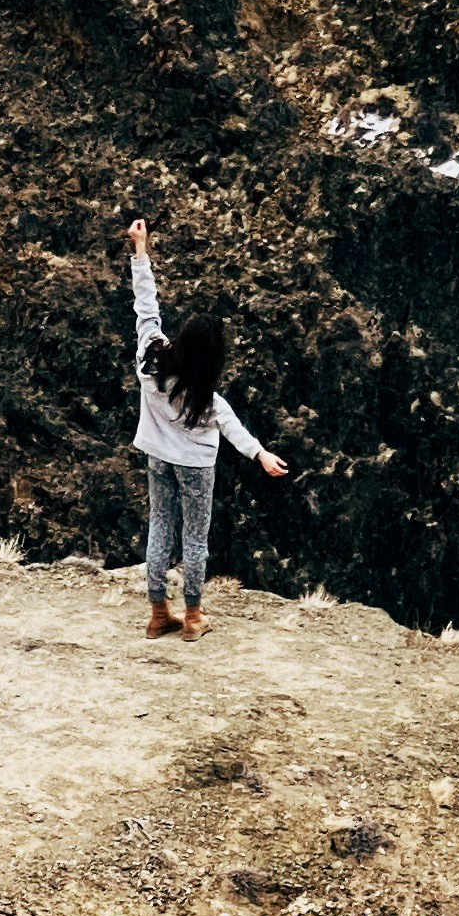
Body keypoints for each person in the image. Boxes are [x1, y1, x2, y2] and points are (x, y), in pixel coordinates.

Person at [125, 214, 284, 638]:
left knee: (160, 526)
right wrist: (260, 454)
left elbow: (145, 305)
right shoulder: (206, 397)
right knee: (195, 539)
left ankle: (159, 614)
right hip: (196, 465)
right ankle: (193, 617)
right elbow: (231, 426)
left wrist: (141, 251)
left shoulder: (150, 362)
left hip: (157, 457)